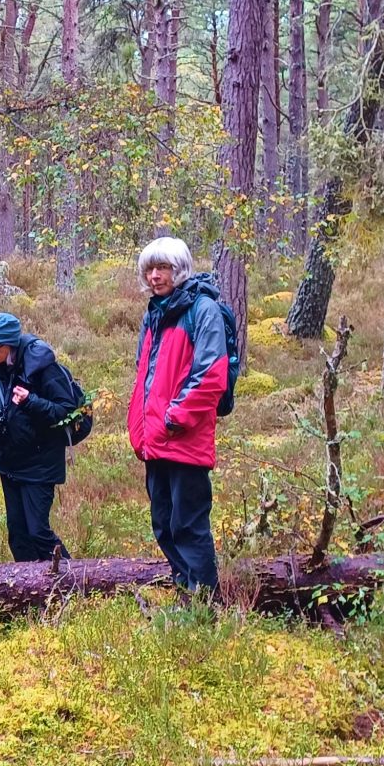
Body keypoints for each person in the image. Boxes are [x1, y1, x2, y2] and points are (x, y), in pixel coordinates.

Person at [127, 237, 229, 596]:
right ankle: (186, 591)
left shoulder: (202, 310)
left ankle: (204, 603)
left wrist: (174, 418)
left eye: (164, 268)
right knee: (163, 525)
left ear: (179, 269)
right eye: (150, 270)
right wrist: (140, 427)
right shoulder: (155, 312)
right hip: (155, 440)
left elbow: (211, 376)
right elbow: (146, 375)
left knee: (188, 525)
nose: (155, 276)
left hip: (183, 439)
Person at [0, 311, 79, 561]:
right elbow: (1, 411)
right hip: (9, 465)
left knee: (38, 532)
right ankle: (29, 593)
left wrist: (30, 401)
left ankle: (73, 582)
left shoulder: (44, 369)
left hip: (40, 466)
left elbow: (67, 412)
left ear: (10, 343)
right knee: (18, 535)